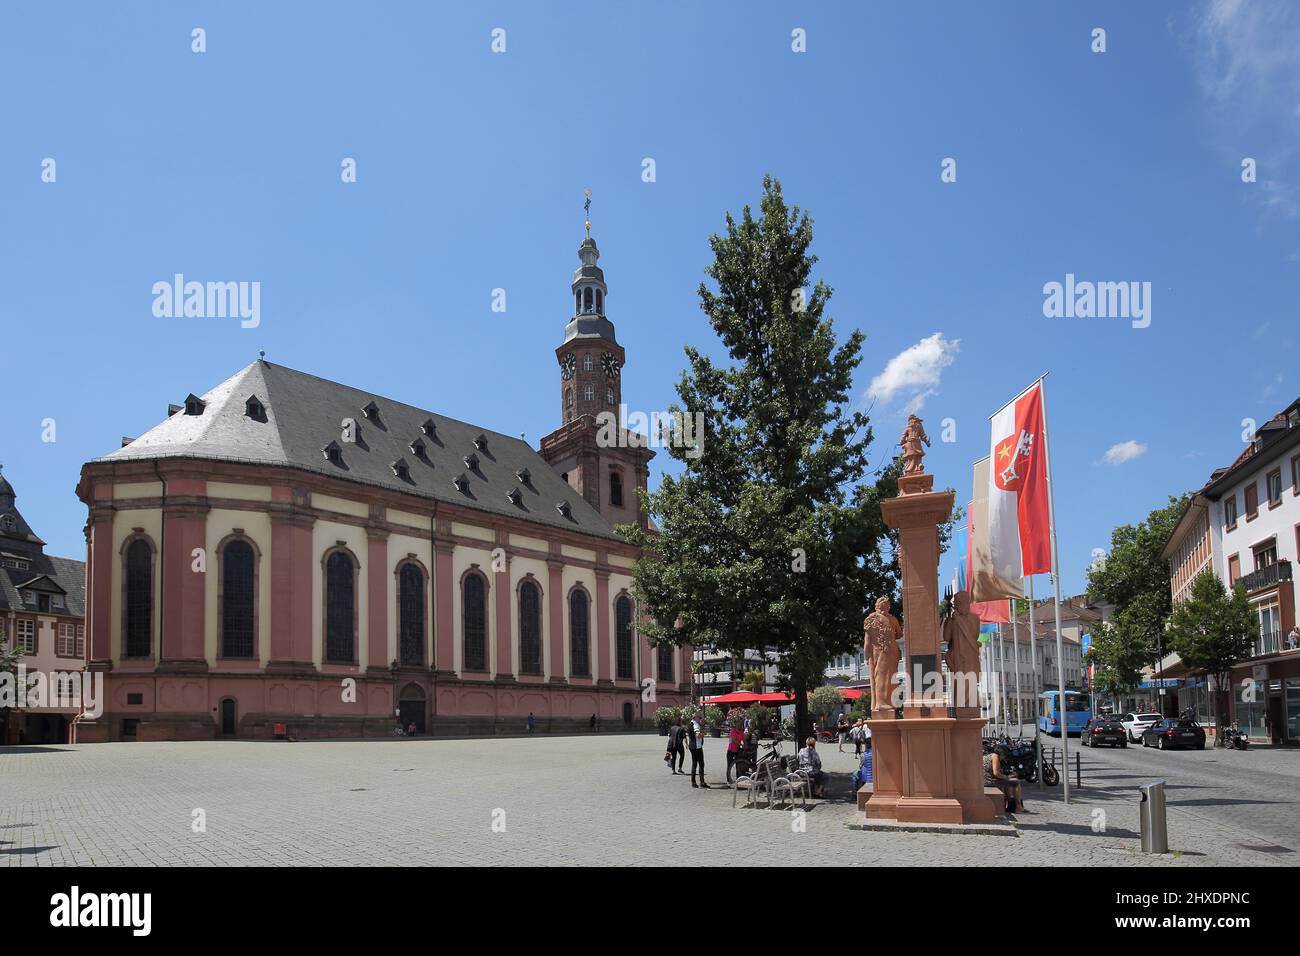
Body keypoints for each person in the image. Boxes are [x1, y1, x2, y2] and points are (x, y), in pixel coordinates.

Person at [984, 744, 1025, 813]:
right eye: (1005, 755)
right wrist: (1007, 777)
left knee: (1007, 784)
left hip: (985, 780)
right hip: (989, 781)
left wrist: (1006, 777)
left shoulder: (989, 755)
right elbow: (996, 773)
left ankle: (1009, 804)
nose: (1005, 757)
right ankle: (1018, 807)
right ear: (1002, 753)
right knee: (1016, 782)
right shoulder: (995, 756)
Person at [688, 715, 709, 788]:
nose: (699, 718)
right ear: (695, 717)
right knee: (701, 764)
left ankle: (693, 782)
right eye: (698, 717)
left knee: (694, 763)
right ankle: (702, 782)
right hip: (697, 747)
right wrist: (704, 734)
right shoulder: (695, 724)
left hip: (692, 745)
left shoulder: (690, 724)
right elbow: (697, 735)